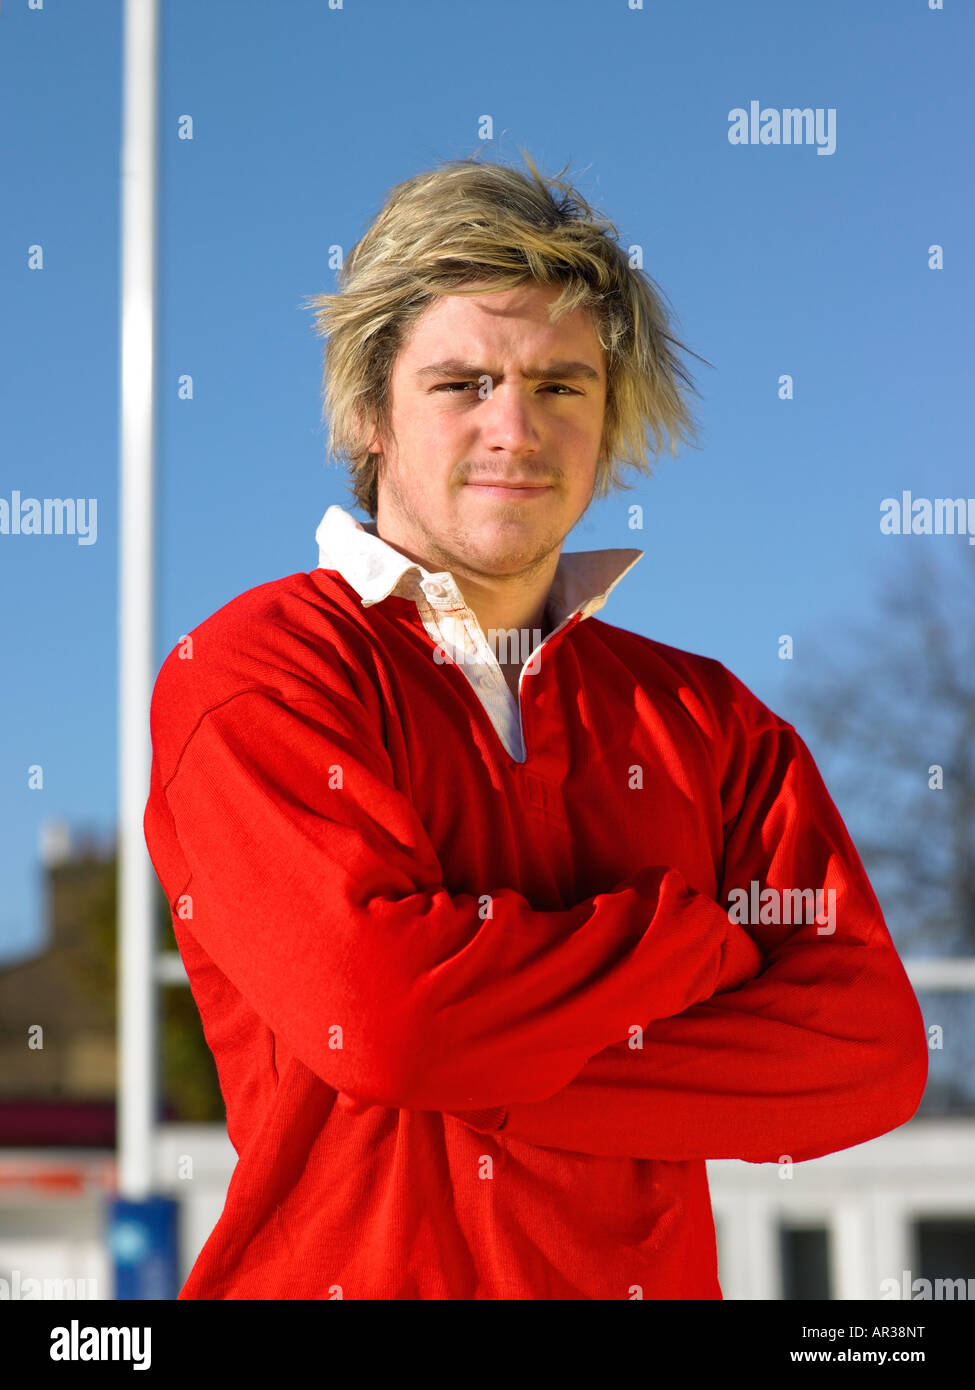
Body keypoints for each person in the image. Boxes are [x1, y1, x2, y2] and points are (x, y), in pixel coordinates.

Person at [143, 151, 928, 1300]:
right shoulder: (262, 672)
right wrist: (689, 944)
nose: (516, 428)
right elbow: (391, 1023)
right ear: (370, 413)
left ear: (608, 423)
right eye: (462, 384)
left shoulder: (706, 717)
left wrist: (489, 1055)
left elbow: (866, 1056)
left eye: (561, 385)